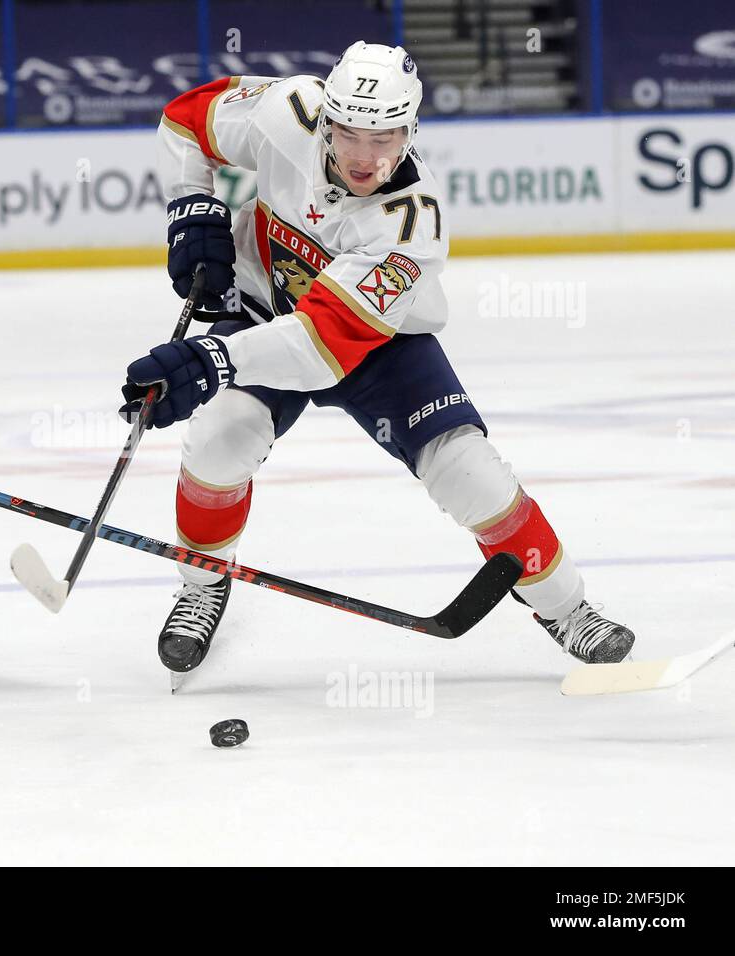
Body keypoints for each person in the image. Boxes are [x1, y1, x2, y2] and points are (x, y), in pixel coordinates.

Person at [119, 41, 634, 674]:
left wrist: (211, 360)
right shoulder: (287, 111)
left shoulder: (410, 227)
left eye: (386, 138)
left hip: (378, 344)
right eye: (351, 134)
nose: (366, 156)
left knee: (468, 473)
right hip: (261, 306)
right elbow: (184, 119)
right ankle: (201, 588)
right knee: (219, 442)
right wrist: (191, 205)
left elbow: (320, 347)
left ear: (411, 131)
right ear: (326, 119)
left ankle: (568, 609)